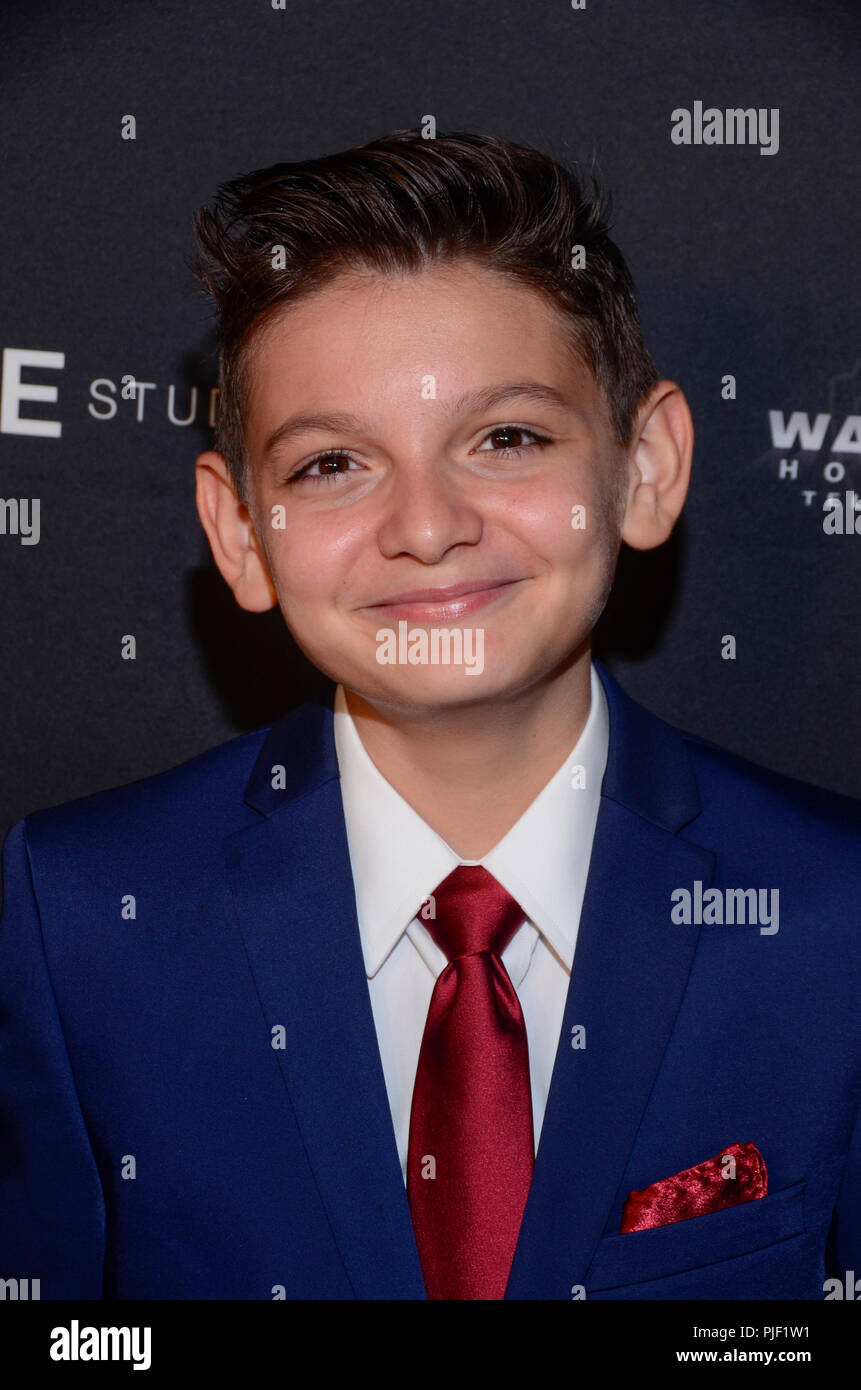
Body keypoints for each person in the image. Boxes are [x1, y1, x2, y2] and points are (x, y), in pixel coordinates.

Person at [1, 129, 859, 1301]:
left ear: (645, 467)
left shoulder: (836, 914)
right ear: (242, 533)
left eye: (506, 438)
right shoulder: (78, 919)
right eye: (331, 465)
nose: (428, 523)